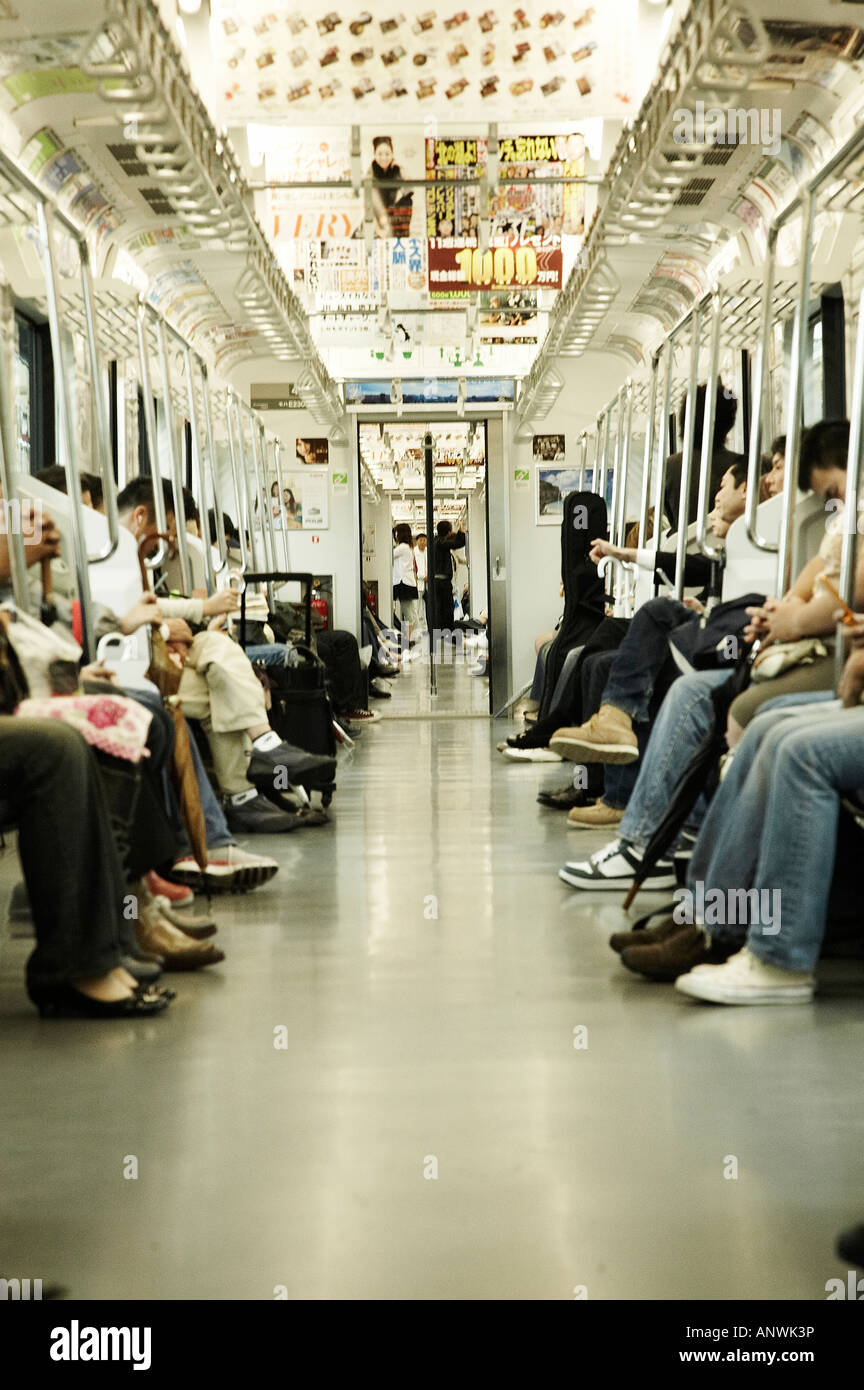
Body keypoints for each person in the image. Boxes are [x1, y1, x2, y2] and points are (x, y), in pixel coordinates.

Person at [663, 382, 743, 532]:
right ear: (728, 423)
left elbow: (669, 515)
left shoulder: (670, 467)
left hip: (681, 548)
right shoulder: (741, 466)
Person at [370, 135, 414, 238]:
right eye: (380, 154)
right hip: (377, 227)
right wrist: (378, 229)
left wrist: (400, 169)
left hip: (397, 226)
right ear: (374, 154)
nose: (384, 158)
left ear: (392, 154)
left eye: (387, 153)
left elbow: (410, 192)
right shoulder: (370, 173)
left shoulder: (399, 170)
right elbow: (369, 206)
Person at [429, 519, 466, 636]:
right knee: (447, 608)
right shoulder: (441, 543)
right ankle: (447, 631)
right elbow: (459, 543)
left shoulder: (435, 541)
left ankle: (440, 631)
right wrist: (461, 530)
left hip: (436, 581)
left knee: (439, 607)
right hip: (443, 582)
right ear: (448, 532)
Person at [392, 522, 419, 648]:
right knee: (409, 611)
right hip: (408, 583)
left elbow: (389, 555)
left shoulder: (402, 547)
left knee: (407, 612)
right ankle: (409, 637)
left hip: (404, 583)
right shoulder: (408, 547)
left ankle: (408, 639)